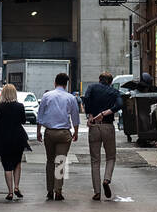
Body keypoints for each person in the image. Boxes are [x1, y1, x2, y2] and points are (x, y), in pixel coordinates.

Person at [36, 73, 80, 202]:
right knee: (60, 161)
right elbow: (75, 116)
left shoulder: (47, 96)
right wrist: (76, 131)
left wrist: (38, 131)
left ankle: (49, 190)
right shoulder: (70, 97)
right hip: (63, 133)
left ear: (55, 83)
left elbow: (40, 114)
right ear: (66, 84)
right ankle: (58, 190)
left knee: (50, 161)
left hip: (49, 132)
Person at [83, 71, 122, 201]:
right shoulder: (114, 92)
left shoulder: (92, 88)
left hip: (94, 126)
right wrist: (106, 113)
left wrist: (89, 115)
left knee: (95, 160)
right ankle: (106, 179)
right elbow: (120, 104)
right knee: (111, 157)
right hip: (108, 126)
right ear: (111, 82)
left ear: (99, 79)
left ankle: (97, 192)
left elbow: (86, 98)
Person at [0, 84, 30, 201]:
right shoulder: (20, 106)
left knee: (7, 165)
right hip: (18, 138)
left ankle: (10, 192)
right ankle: (17, 187)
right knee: (17, 163)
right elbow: (23, 120)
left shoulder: (0, 108)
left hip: (4, 139)